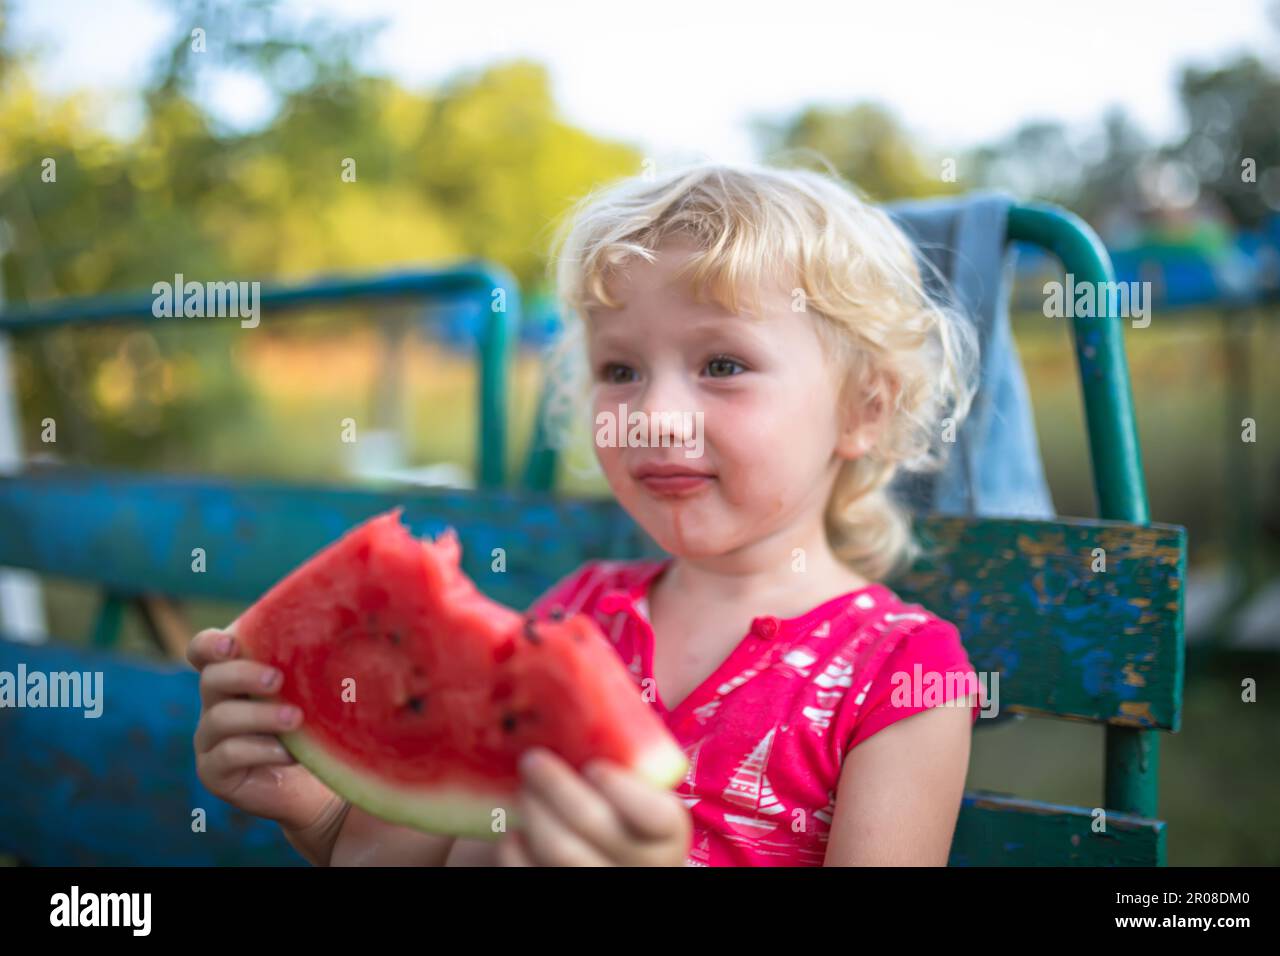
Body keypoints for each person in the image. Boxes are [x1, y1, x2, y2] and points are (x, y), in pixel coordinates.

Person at [189, 161, 985, 866]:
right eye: (620, 369)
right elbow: (411, 849)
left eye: (722, 364)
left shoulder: (903, 676)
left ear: (865, 410)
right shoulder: (578, 614)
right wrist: (321, 812)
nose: (654, 413)